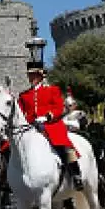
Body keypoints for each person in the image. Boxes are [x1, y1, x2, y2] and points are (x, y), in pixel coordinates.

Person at [18, 60, 83, 191]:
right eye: (30, 75)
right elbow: (20, 113)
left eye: (34, 75)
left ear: (41, 75)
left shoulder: (52, 90)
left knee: (65, 145)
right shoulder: (24, 95)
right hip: (31, 127)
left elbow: (58, 108)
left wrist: (47, 117)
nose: (31, 78)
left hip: (51, 125)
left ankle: (76, 174)